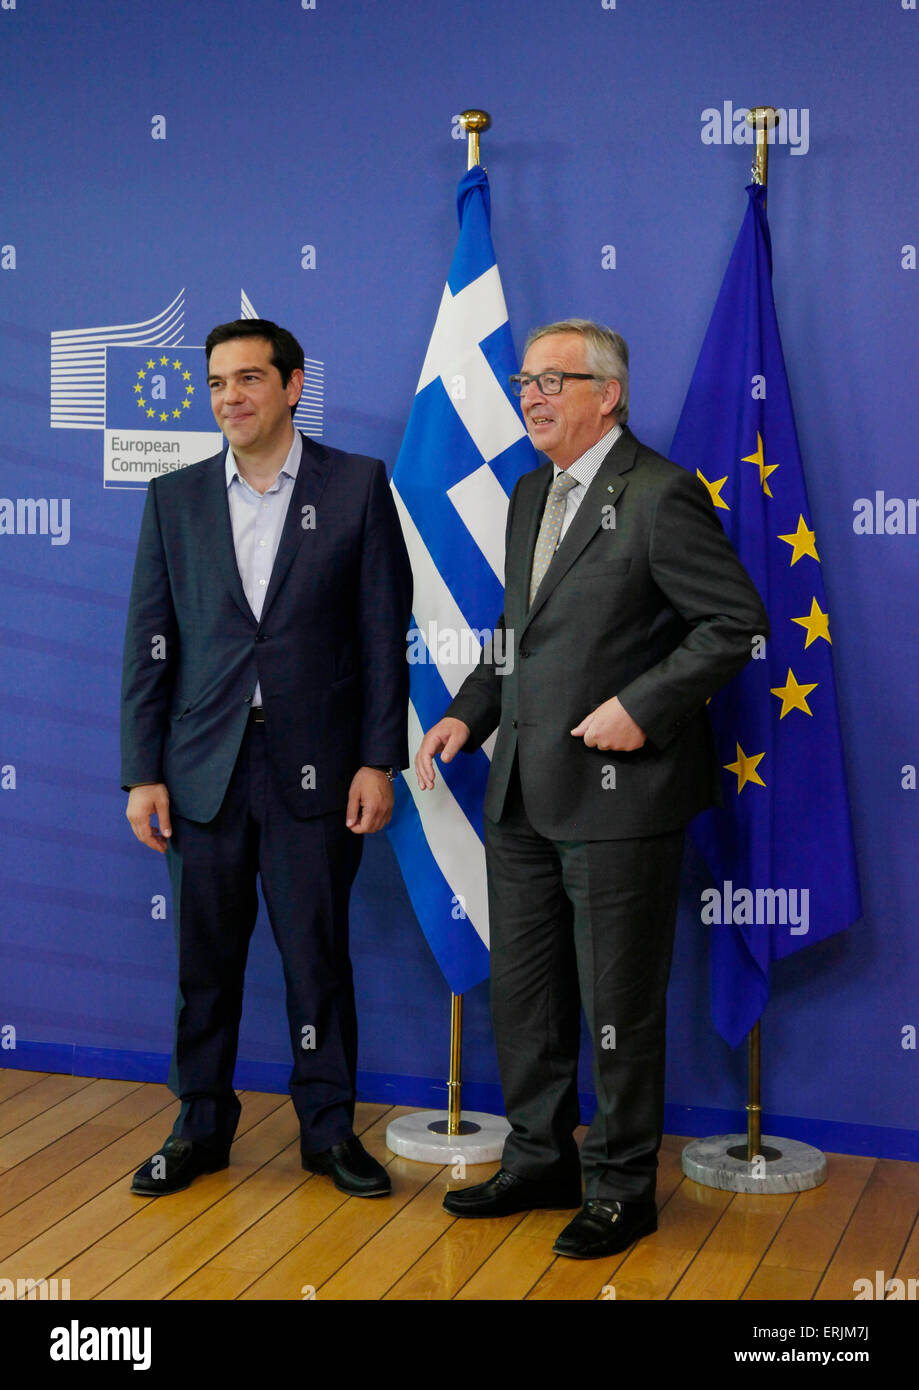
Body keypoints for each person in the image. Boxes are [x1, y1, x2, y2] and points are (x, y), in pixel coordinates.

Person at [415, 319, 768, 1258]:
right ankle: (539, 1159)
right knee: (526, 999)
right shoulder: (533, 491)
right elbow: (516, 630)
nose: (529, 396)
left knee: (617, 1001)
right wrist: (468, 713)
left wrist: (642, 707)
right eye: (525, 380)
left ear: (606, 393)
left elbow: (733, 623)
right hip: (521, 794)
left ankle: (621, 1187)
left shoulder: (658, 494)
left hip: (619, 800)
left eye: (551, 381)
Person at [122, 318, 412, 1198]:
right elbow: (149, 643)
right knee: (202, 967)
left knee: (316, 961)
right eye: (215, 383)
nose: (229, 398)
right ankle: (199, 1122)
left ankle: (327, 1132)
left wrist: (376, 761)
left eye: (248, 379)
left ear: (292, 386)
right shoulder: (173, 499)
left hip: (317, 774)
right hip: (201, 771)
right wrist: (142, 771)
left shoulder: (355, 486)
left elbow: (380, 639)